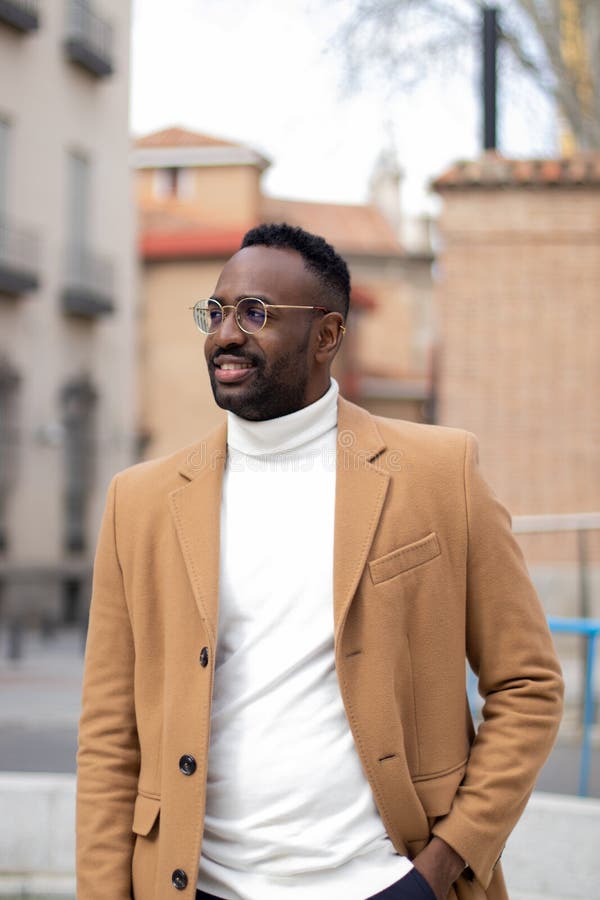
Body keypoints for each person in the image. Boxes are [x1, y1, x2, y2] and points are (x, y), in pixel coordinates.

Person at [76, 224, 563, 900]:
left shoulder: (439, 473)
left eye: (254, 313)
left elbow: (529, 687)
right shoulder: (141, 502)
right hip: (199, 887)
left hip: (387, 884)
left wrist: (439, 869)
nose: (224, 334)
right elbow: (109, 736)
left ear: (327, 336)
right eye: (215, 312)